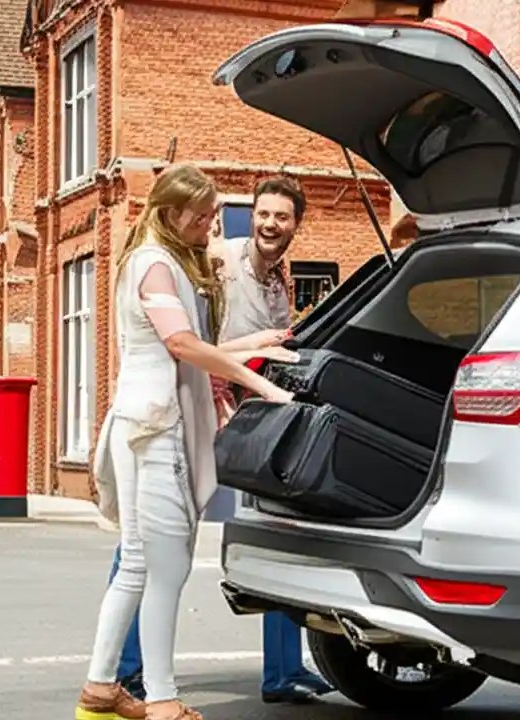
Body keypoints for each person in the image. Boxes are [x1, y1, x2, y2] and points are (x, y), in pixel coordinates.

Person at [76, 164, 295, 720]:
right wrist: (259, 380)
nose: (210, 226)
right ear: (171, 214)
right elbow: (180, 344)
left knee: (137, 567)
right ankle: (163, 698)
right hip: (157, 430)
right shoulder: (155, 263)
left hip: (147, 424)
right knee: (166, 570)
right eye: (201, 217)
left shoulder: (163, 259)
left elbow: (191, 342)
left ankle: (102, 686)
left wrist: (256, 341)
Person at [210, 176, 335, 704]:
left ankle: (282, 672)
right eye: (263, 213)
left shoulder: (278, 282)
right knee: (155, 545)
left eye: (281, 217)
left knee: (279, 533)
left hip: (250, 419)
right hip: (205, 412)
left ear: (295, 225)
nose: (269, 224)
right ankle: (126, 669)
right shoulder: (223, 265)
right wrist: (258, 345)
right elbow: (200, 346)